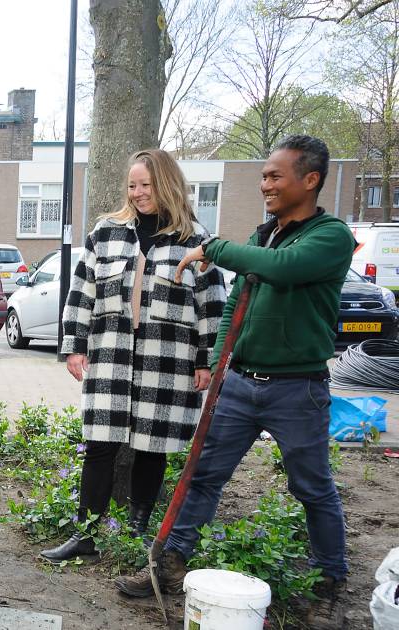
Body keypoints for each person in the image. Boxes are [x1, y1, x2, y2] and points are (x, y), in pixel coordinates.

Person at [115, 136, 352, 630]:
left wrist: (216, 248)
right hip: (241, 385)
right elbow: (235, 307)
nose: (265, 184)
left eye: (274, 176)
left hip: (296, 389)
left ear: (309, 180)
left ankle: (331, 580)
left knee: (312, 487)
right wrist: (221, 359)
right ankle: (171, 561)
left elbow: (283, 271)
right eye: (263, 176)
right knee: (203, 476)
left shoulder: (329, 236)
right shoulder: (264, 236)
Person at [44, 149, 226, 562]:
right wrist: (74, 345)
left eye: (147, 185)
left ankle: (136, 534)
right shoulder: (106, 232)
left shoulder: (195, 240)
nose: (139, 193)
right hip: (111, 352)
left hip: (169, 358)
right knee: (100, 444)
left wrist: (205, 360)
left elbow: (213, 305)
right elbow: (81, 292)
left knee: (151, 446)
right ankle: (86, 536)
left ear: (166, 185)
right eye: (132, 186)